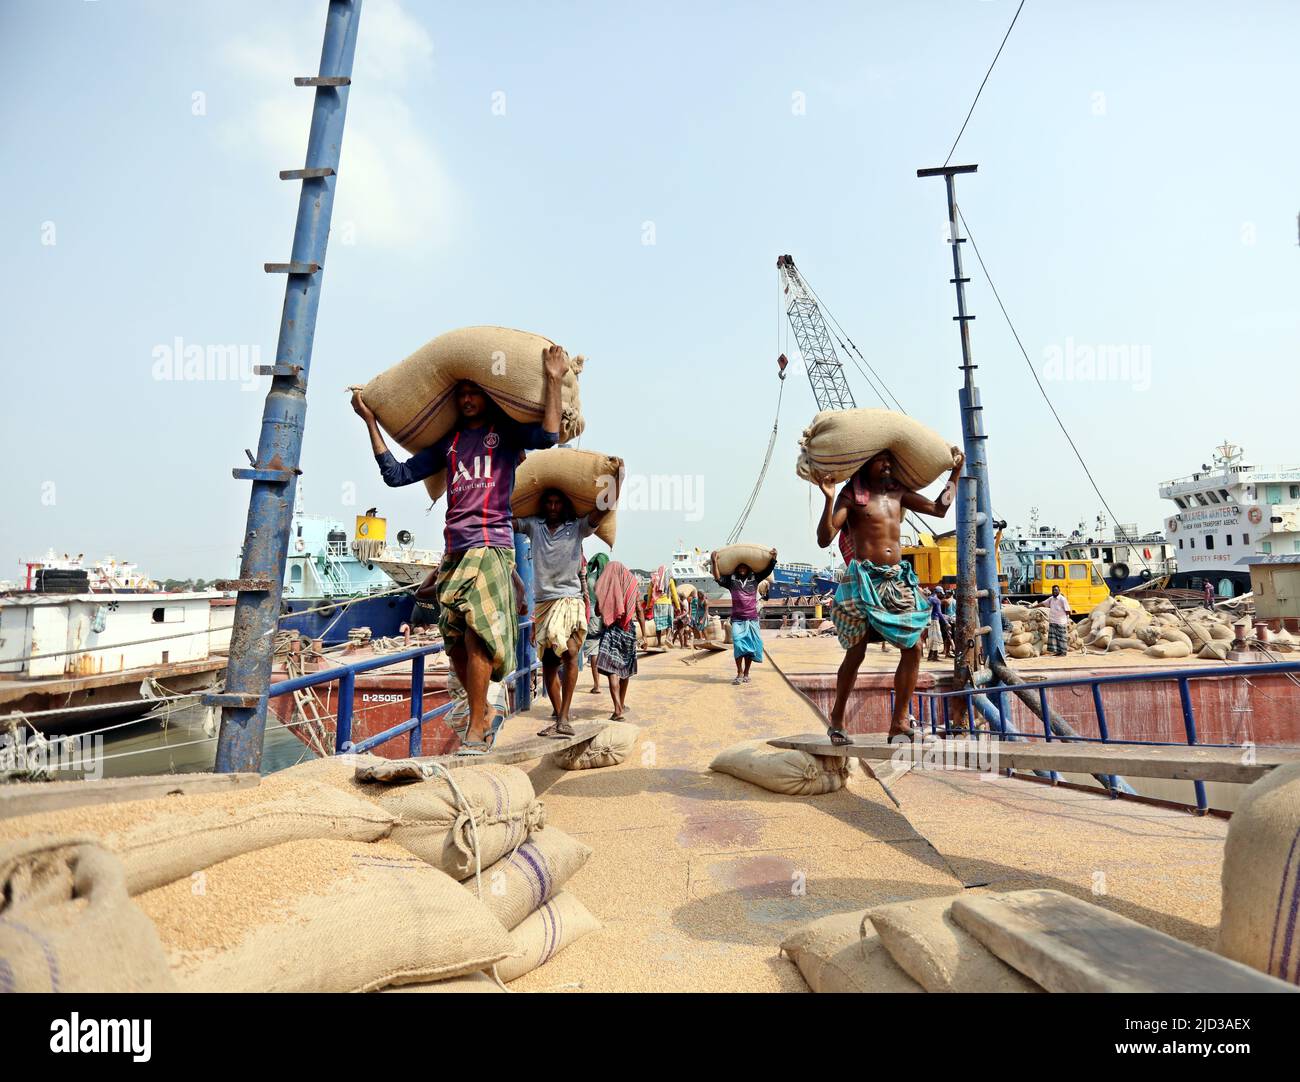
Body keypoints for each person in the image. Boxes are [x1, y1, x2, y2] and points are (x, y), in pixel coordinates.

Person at [351, 347, 568, 754]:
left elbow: (548, 436)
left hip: (490, 545)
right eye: (461, 394)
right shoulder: (447, 445)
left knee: (477, 634)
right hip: (454, 550)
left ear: (487, 397)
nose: (467, 399)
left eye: (474, 392)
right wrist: (370, 421)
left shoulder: (504, 435)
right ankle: (482, 711)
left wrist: (553, 378)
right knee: (453, 642)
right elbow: (395, 476)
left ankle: (475, 724)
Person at [815, 446, 964, 745]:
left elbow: (939, 509)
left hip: (897, 581)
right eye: (881, 461)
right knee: (855, 654)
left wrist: (955, 472)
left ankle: (898, 722)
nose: (887, 466)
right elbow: (824, 538)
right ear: (865, 465)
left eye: (889, 462)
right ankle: (837, 719)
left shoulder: (898, 493)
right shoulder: (851, 496)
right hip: (864, 581)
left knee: (914, 649)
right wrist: (829, 498)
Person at [514, 488, 611, 739]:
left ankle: (566, 716)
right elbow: (509, 521)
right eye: (549, 503)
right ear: (543, 505)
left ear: (565, 506)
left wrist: (613, 487)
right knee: (548, 663)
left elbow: (598, 516)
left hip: (570, 599)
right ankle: (559, 717)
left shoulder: (577, 528)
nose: (554, 507)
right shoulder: (534, 526)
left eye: (558, 503)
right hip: (544, 603)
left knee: (570, 652)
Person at [711, 548, 777, 685]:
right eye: (739, 566)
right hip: (737, 619)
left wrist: (773, 559)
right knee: (739, 645)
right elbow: (718, 578)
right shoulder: (731, 581)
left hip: (752, 618)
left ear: (748, 569)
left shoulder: (755, 579)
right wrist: (714, 562)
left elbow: (767, 571)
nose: (741, 568)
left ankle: (746, 673)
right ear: (736, 569)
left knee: (750, 648)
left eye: (744, 567)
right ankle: (739, 672)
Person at [594, 560, 641, 720]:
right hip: (629, 630)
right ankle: (621, 703)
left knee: (612, 670)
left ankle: (617, 709)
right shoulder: (632, 584)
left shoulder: (606, 587)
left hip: (612, 630)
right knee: (625, 670)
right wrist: (645, 636)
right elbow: (639, 609)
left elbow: (598, 611)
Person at [581, 553, 608, 695]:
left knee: (593, 649)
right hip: (607, 614)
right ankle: (612, 680)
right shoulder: (608, 578)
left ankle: (597, 684)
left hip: (591, 614)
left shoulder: (590, 578)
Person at [1038, 583, 1072, 657]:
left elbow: (1068, 610)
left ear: (1059, 591)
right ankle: (1058, 651)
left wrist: (1067, 619)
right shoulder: (1051, 599)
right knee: (1055, 638)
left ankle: (1063, 652)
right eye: (1053, 590)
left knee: (1062, 637)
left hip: (1061, 622)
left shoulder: (1062, 599)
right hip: (1053, 621)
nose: (1054, 592)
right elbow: (1043, 603)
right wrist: (1033, 606)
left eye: (1056, 590)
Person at [926, 585, 945, 662]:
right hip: (934, 621)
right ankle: (934, 656)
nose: (942, 595)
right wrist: (946, 623)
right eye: (941, 593)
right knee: (936, 638)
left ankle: (931, 656)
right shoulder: (936, 600)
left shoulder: (929, 598)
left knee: (932, 638)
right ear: (938, 593)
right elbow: (939, 613)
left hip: (929, 620)